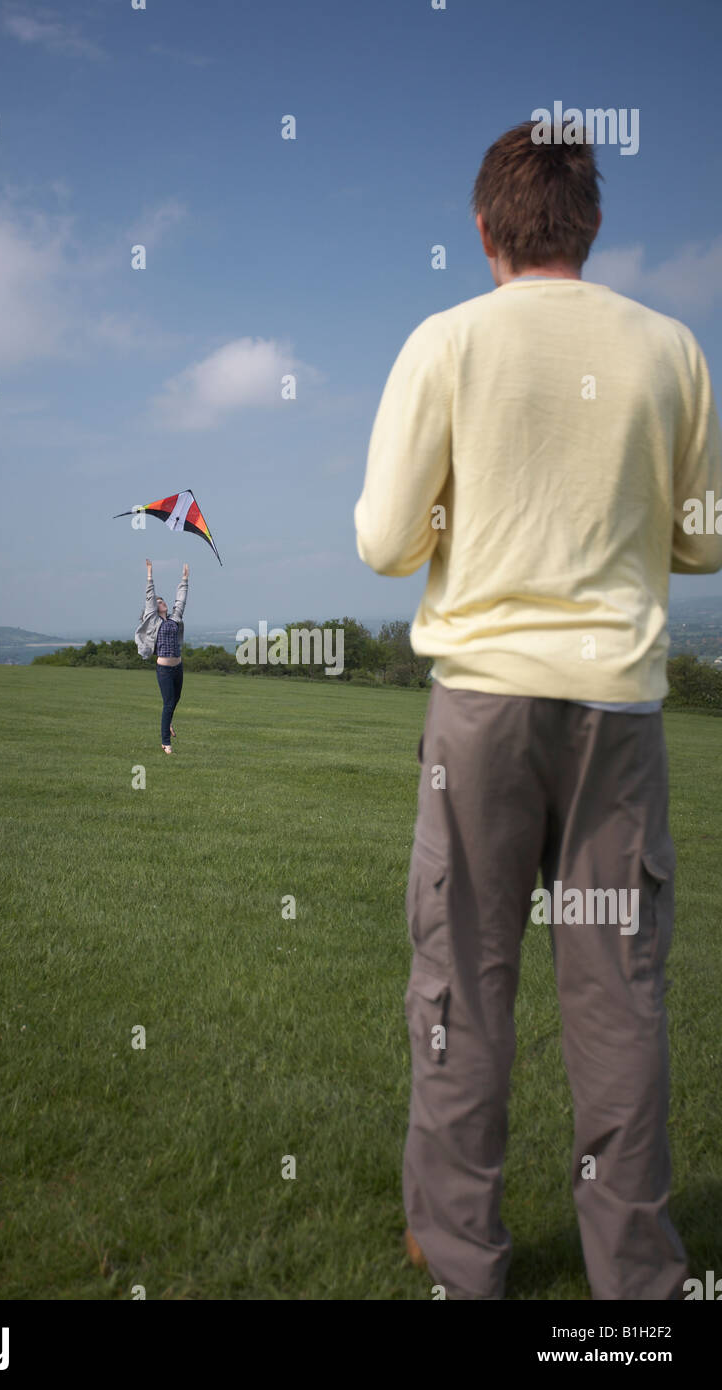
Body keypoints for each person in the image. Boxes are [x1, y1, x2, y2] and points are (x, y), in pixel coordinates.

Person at [354, 119, 722, 1301]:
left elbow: (384, 542)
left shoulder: (446, 342)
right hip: (620, 711)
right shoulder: (672, 348)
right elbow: (705, 538)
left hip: (481, 708)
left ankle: (461, 1257)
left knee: (462, 981)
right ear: (593, 223)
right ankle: (637, 1275)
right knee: (618, 992)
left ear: (483, 228)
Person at [134, 559, 189, 754]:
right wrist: (149, 574)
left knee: (176, 699)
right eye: (159, 602)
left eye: (162, 601)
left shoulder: (174, 619)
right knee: (168, 703)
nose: (162, 603)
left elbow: (180, 601)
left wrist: (184, 579)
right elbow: (150, 597)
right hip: (164, 669)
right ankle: (166, 742)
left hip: (178, 667)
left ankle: (168, 723)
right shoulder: (153, 620)